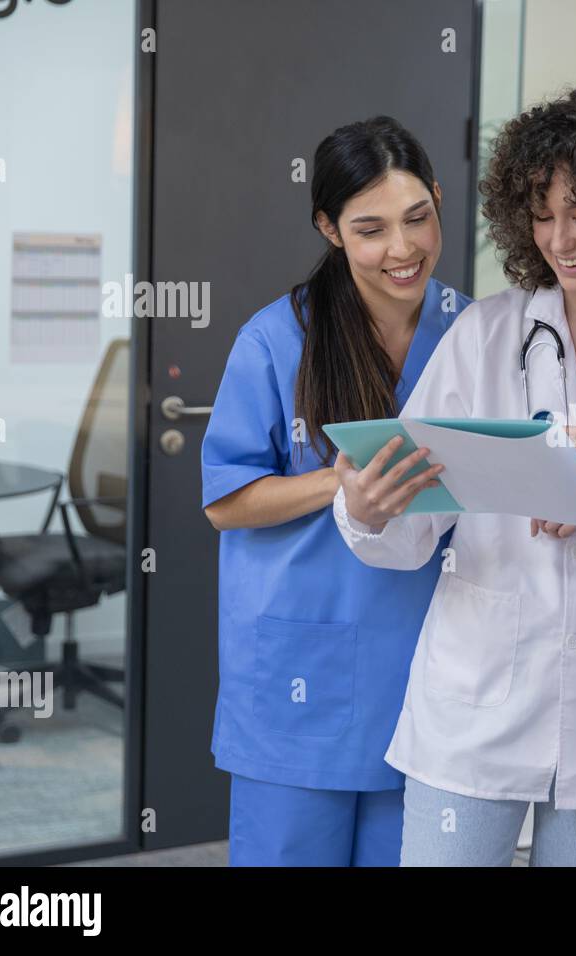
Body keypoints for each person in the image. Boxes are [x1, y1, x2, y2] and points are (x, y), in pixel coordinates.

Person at [333, 90, 576, 866]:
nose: (561, 239)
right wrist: (369, 509)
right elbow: (413, 534)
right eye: (543, 215)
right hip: (476, 699)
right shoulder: (487, 338)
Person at [200, 116, 471, 866]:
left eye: (418, 218)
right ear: (329, 228)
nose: (402, 249)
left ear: (441, 201)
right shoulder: (275, 338)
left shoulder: (474, 334)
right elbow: (226, 500)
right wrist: (340, 481)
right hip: (299, 665)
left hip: (425, 666)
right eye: (370, 228)